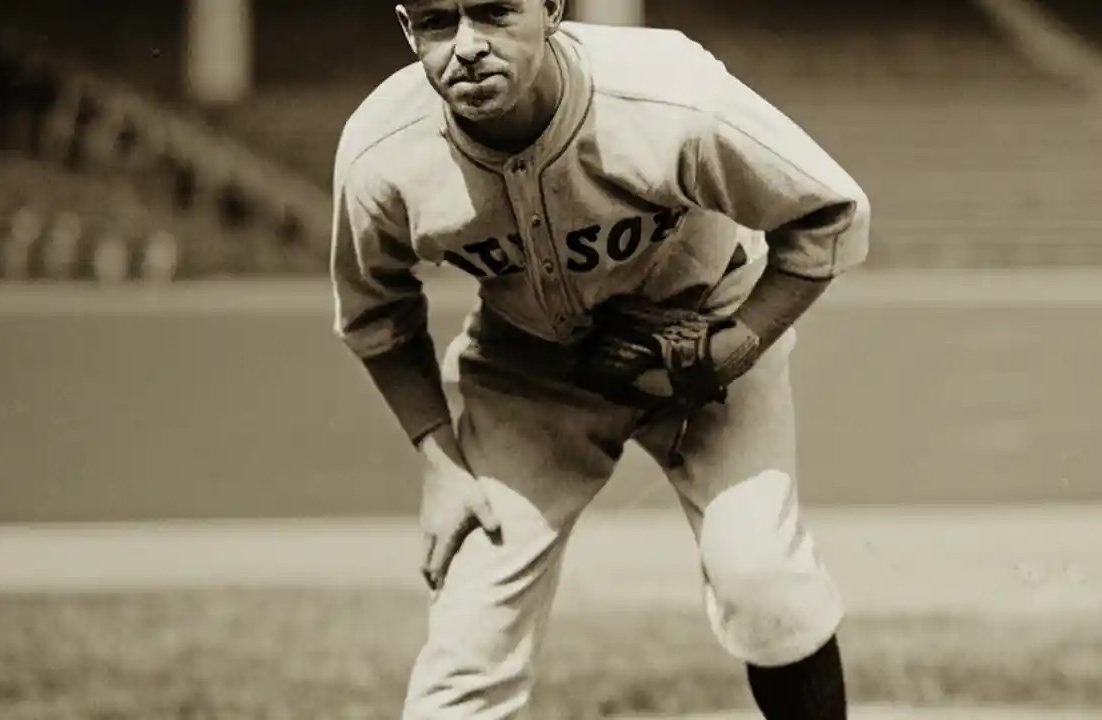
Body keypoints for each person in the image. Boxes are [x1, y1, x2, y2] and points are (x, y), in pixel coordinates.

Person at [330, 1, 871, 717]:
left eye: (494, 12)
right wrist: (440, 459)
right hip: (529, 374)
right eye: (436, 21)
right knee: (466, 651)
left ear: (552, 6)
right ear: (406, 29)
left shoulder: (667, 94)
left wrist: (733, 346)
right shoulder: (383, 150)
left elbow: (831, 211)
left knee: (763, 579)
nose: (465, 46)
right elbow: (374, 309)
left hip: (706, 331)